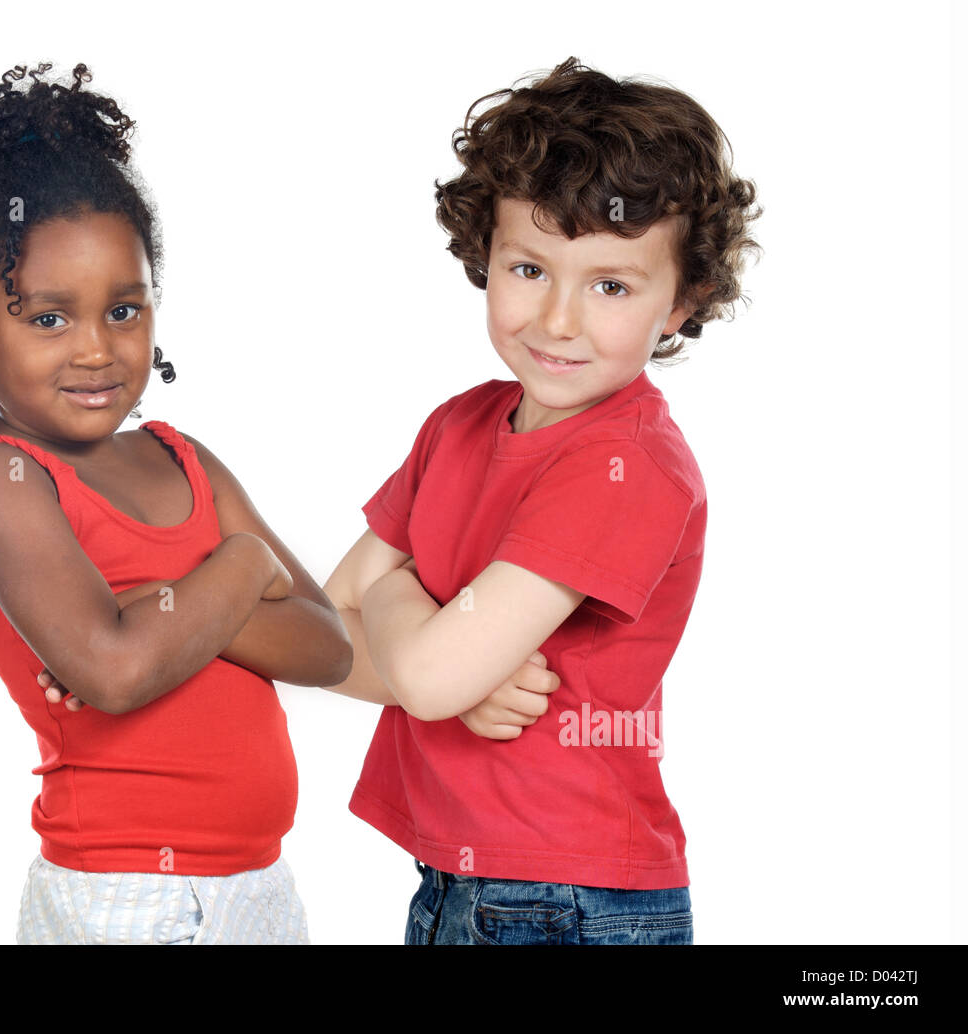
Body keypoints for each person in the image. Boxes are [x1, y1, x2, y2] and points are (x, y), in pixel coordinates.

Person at [0, 61, 351, 944]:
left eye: (125, 311)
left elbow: (328, 647)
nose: (97, 351)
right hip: (125, 899)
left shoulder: (186, 459)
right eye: (48, 319)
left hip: (260, 887)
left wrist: (162, 613)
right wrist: (243, 571)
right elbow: (114, 673)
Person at [321, 56, 761, 944]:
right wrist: (436, 676)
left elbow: (428, 667)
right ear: (484, 253)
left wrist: (413, 623)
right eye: (528, 268)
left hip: (568, 898)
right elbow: (324, 623)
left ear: (684, 301)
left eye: (611, 285)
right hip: (459, 879)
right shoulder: (458, 428)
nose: (558, 319)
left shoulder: (627, 464)